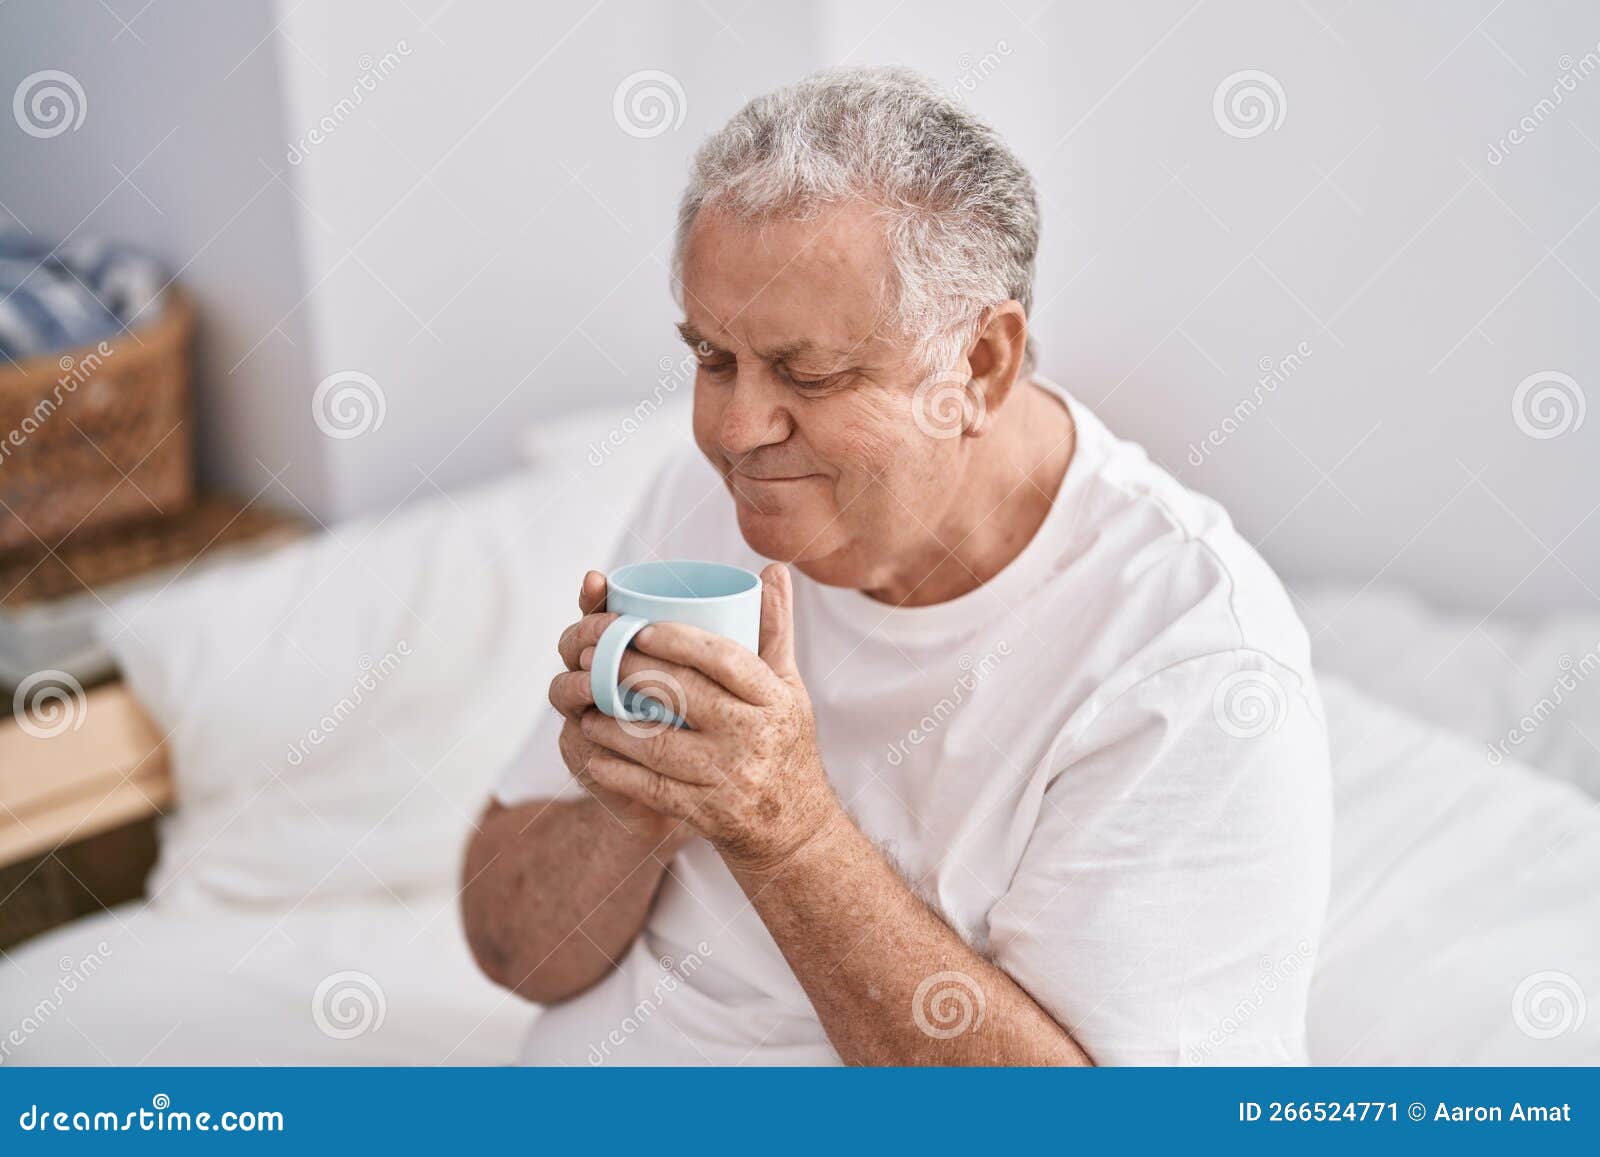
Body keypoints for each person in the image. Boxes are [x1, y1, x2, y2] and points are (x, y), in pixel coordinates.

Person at [462, 66, 1329, 1066]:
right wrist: (638, 803)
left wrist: (782, 829)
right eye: (710, 358)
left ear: (981, 365)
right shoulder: (703, 501)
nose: (736, 430)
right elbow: (510, 948)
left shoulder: (1190, 661)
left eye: (809, 373)